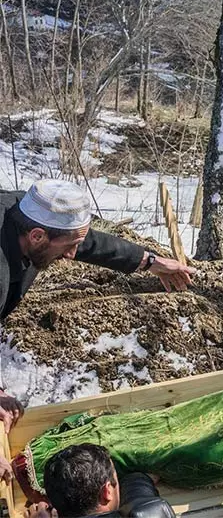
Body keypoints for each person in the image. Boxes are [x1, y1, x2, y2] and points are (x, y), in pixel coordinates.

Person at [0, 179, 195, 481]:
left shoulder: (27, 213)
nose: (72, 255)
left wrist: (150, 262)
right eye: (68, 248)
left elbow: (87, 243)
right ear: (37, 236)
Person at [27, 443, 175, 518]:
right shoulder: (154, 512)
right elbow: (145, 509)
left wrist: (138, 480)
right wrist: (140, 480)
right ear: (107, 492)